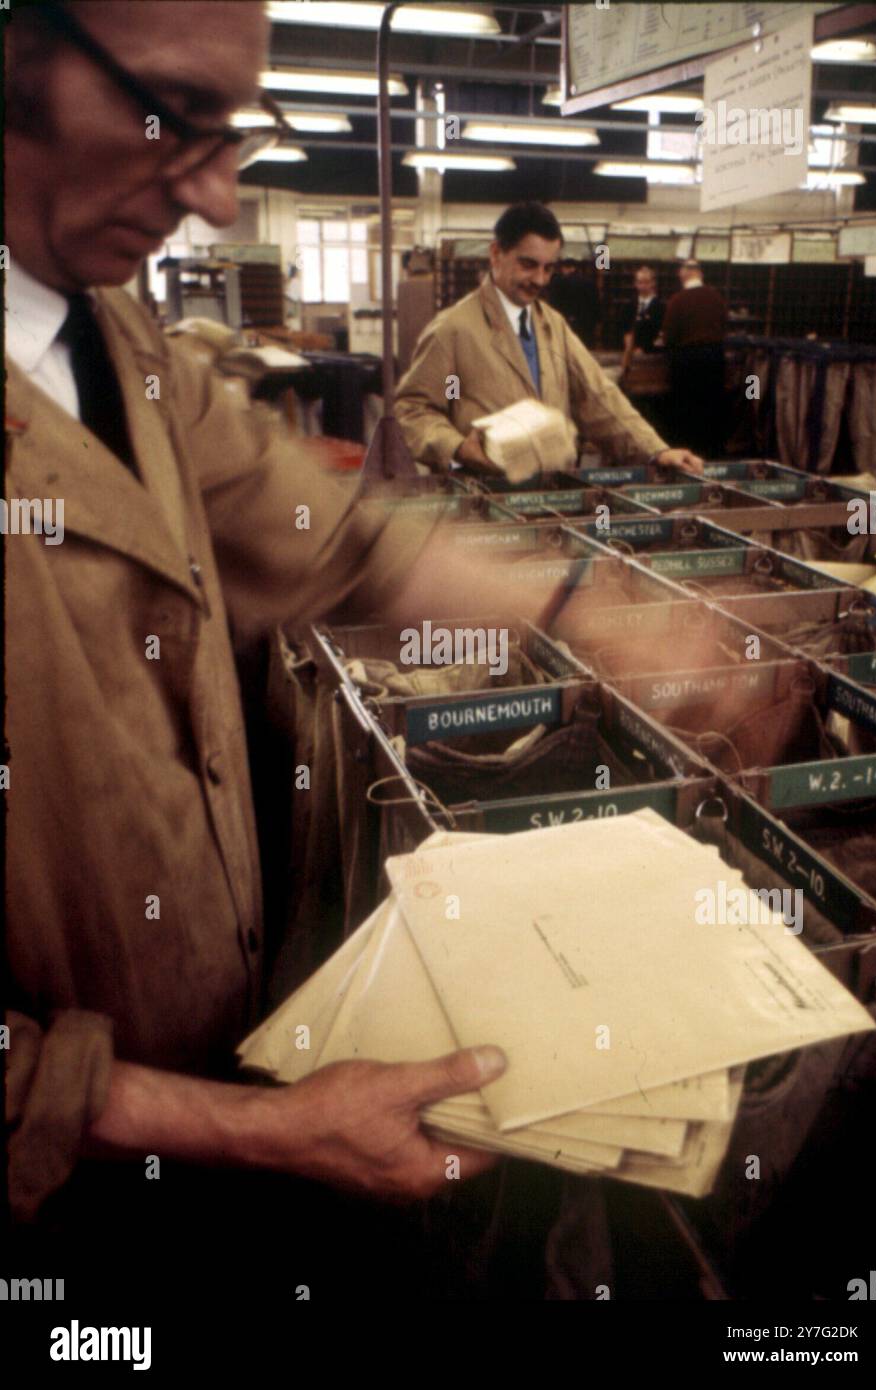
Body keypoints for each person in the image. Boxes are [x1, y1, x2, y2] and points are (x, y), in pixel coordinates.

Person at [1, 0, 621, 1280]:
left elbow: (334, 541)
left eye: (235, 133)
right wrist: (259, 1130)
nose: (220, 200)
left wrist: (606, 623)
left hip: (198, 1082)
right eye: (173, 114)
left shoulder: (118, 338)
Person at [394, 201, 703, 475]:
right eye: (528, 265)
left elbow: (599, 397)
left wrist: (656, 451)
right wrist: (457, 448)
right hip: (484, 501)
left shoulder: (553, 326)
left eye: (548, 268)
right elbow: (412, 409)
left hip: (552, 496)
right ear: (496, 254)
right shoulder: (454, 329)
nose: (539, 280)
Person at [661, 258, 728, 459]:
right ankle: (713, 453)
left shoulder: (677, 300)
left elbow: (669, 336)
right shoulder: (717, 297)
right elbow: (724, 325)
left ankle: (689, 453)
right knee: (712, 406)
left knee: (687, 408)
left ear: (685, 273)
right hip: (715, 357)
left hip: (687, 360)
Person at [620, 265, 665, 368]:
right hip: (628, 356)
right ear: (635, 284)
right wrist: (629, 346)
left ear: (653, 283)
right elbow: (624, 328)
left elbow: (661, 334)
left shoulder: (661, 307)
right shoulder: (629, 306)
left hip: (652, 358)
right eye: (640, 282)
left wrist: (643, 348)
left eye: (646, 282)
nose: (643, 285)